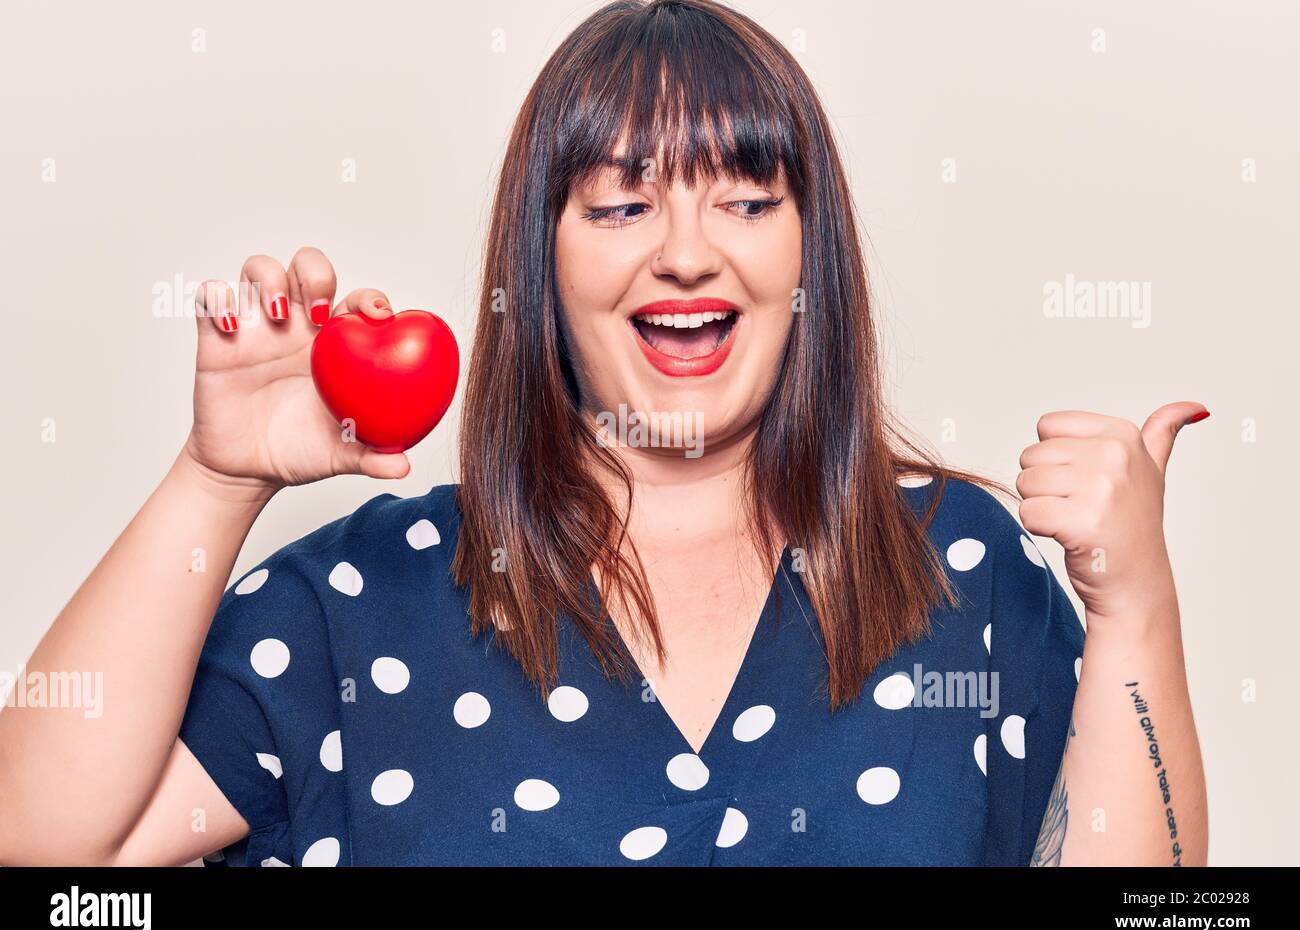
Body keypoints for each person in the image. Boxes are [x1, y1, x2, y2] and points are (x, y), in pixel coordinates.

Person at [0, 0, 1206, 866]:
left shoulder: (958, 565)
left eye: (744, 197)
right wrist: (214, 480)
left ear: (807, 259)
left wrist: (1136, 606)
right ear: (542, 263)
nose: (686, 249)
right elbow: (44, 848)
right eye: (622, 203)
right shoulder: (362, 598)